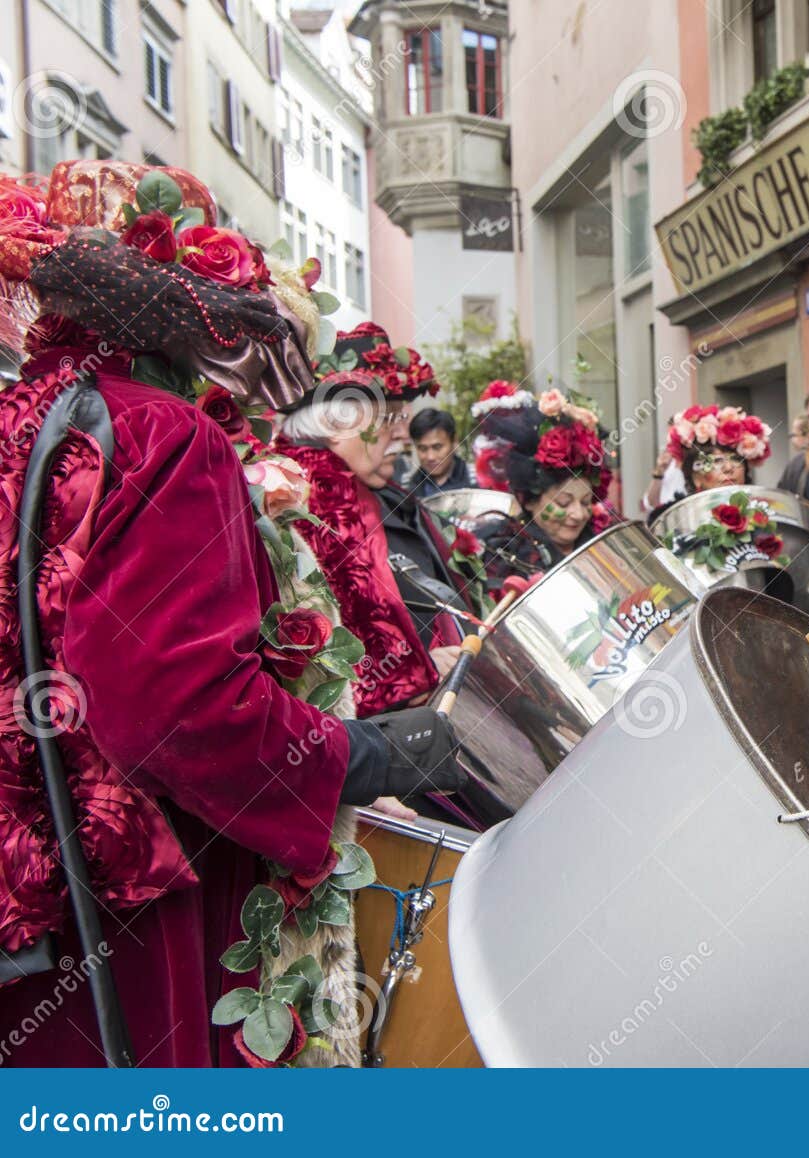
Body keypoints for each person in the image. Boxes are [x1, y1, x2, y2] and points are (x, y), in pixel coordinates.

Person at [0, 161, 462, 1066]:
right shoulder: (164, 434)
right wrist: (364, 755)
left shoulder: (25, 414)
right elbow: (174, 711)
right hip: (124, 905)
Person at [273, 323, 468, 718]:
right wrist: (421, 669)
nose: (401, 433)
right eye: (386, 418)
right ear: (335, 426)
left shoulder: (376, 493)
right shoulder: (309, 502)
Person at [468, 380, 613, 599]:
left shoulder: (604, 537)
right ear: (529, 501)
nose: (579, 513)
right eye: (564, 502)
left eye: (586, 502)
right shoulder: (504, 555)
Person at [647, 403, 773, 520]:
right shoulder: (677, 519)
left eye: (736, 459)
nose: (728, 468)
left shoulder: (766, 512)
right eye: (717, 461)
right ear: (695, 477)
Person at [406, 407, 474, 496]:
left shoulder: (476, 479)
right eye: (423, 449)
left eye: (437, 447)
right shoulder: (406, 487)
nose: (431, 457)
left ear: (454, 442)